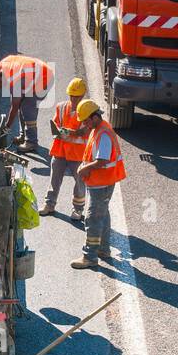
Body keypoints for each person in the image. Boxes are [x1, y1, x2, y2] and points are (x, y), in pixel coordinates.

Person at [70, 99, 126, 269]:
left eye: (86, 121)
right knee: (103, 215)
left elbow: (101, 160)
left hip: (101, 183)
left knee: (92, 218)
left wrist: (84, 169)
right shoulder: (99, 128)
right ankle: (103, 249)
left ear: (95, 117)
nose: (85, 125)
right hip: (102, 182)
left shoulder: (103, 135)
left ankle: (90, 257)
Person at [39, 76, 88, 221]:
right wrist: (64, 132)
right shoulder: (61, 107)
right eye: (71, 96)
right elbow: (55, 127)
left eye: (77, 97)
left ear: (83, 95)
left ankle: (77, 210)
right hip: (60, 151)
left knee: (79, 183)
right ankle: (49, 204)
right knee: (54, 180)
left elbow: (83, 132)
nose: (73, 100)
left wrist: (65, 132)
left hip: (78, 155)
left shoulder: (87, 111)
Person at [0, 54, 54, 150]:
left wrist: (6, 127)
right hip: (37, 71)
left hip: (44, 79)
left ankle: (31, 142)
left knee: (27, 109)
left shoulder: (14, 79)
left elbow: (14, 107)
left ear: (0, 81)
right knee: (22, 104)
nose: (1, 88)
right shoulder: (2, 64)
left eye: (0, 86)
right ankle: (23, 136)